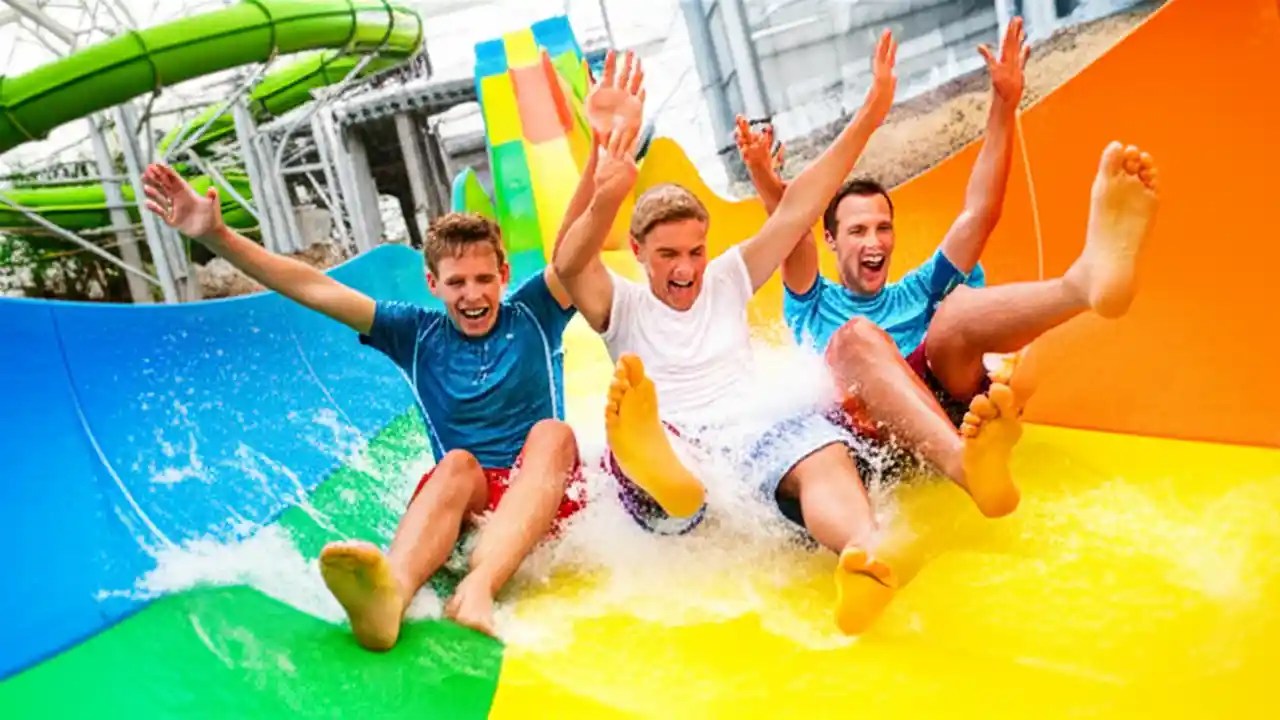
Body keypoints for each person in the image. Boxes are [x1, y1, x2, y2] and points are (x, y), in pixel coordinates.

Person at [139, 50, 648, 648]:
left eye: (484, 279)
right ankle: (392, 594)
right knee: (455, 464)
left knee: (554, 436)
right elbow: (312, 287)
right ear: (432, 285)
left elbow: (572, 251)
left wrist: (603, 158)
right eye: (456, 283)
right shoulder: (415, 333)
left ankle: (479, 587)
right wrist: (217, 235)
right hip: (469, 514)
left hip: (540, 514)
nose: (473, 293)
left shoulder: (533, 312)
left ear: (504, 274)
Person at [555, 32, 990, 635]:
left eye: (695, 251)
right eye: (667, 255)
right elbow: (568, 262)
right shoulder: (620, 305)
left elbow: (799, 209)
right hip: (677, 432)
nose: (686, 268)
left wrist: (870, 114)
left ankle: (863, 555)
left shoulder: (729, 278)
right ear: (637, 251)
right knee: (671, 467)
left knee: (820, 452)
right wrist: (604, 173)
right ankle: (661, 468)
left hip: (748, 429)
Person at [741, 17, 1160, 519]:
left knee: (954, 312)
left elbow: (978, 216)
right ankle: (966, 465)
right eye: (857, 231)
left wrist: (1004, 105)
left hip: (953, 413)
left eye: (882, 228)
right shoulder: (814, 301)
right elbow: (790, 230)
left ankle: (1083, 284)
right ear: (830, 240)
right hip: (873, 447)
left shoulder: (916, 290)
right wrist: (769, 183)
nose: (874, 241)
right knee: (856, 338)